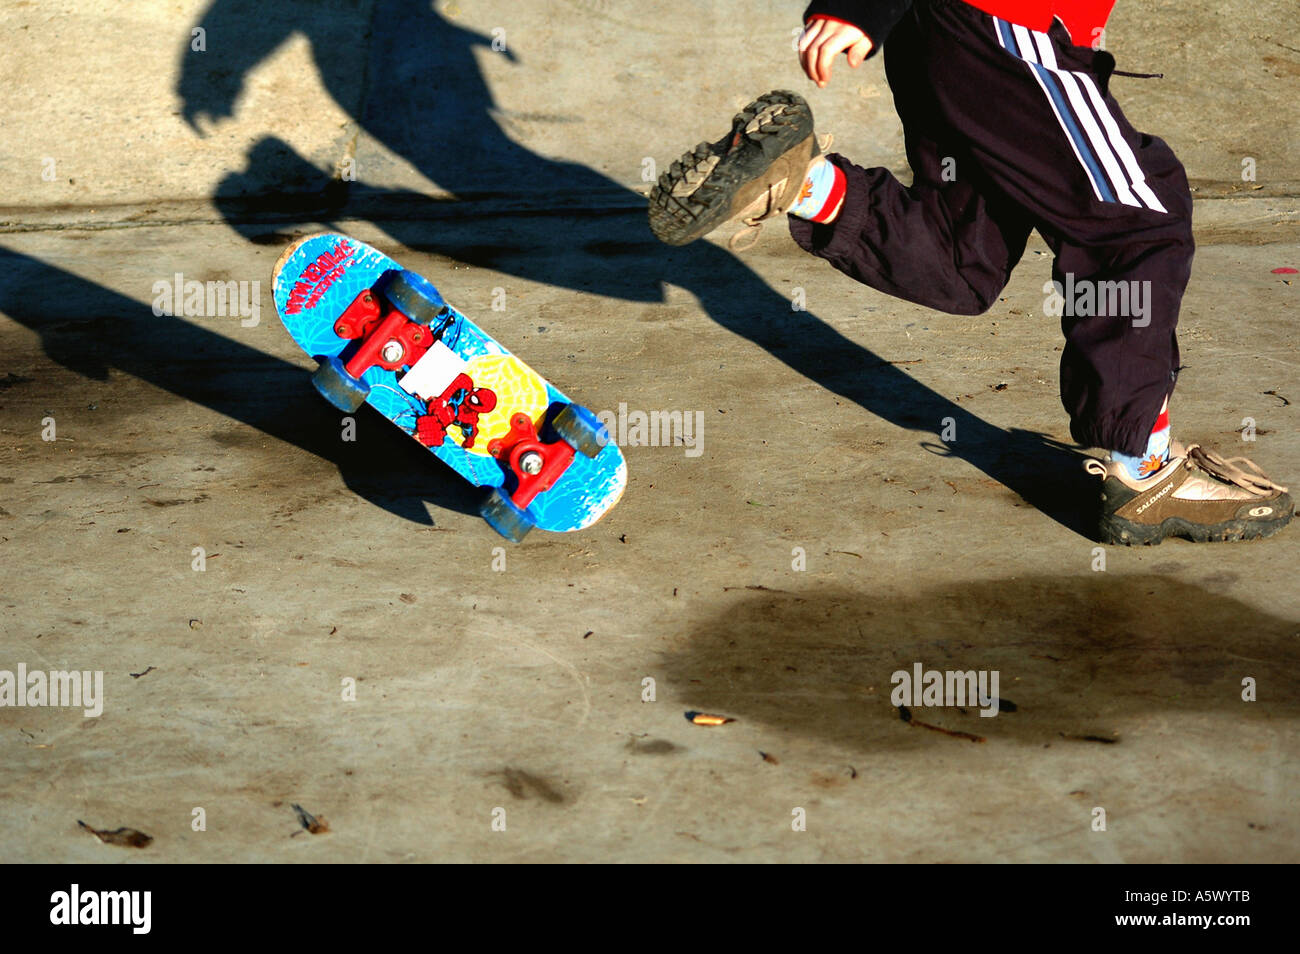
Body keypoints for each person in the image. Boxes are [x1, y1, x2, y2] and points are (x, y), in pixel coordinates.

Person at [647, 0, 1292, 545]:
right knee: (1137, 219)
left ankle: (805, 184)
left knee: (961, 259)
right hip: (1008, 31)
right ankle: (1142, 470)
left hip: (953, 41)